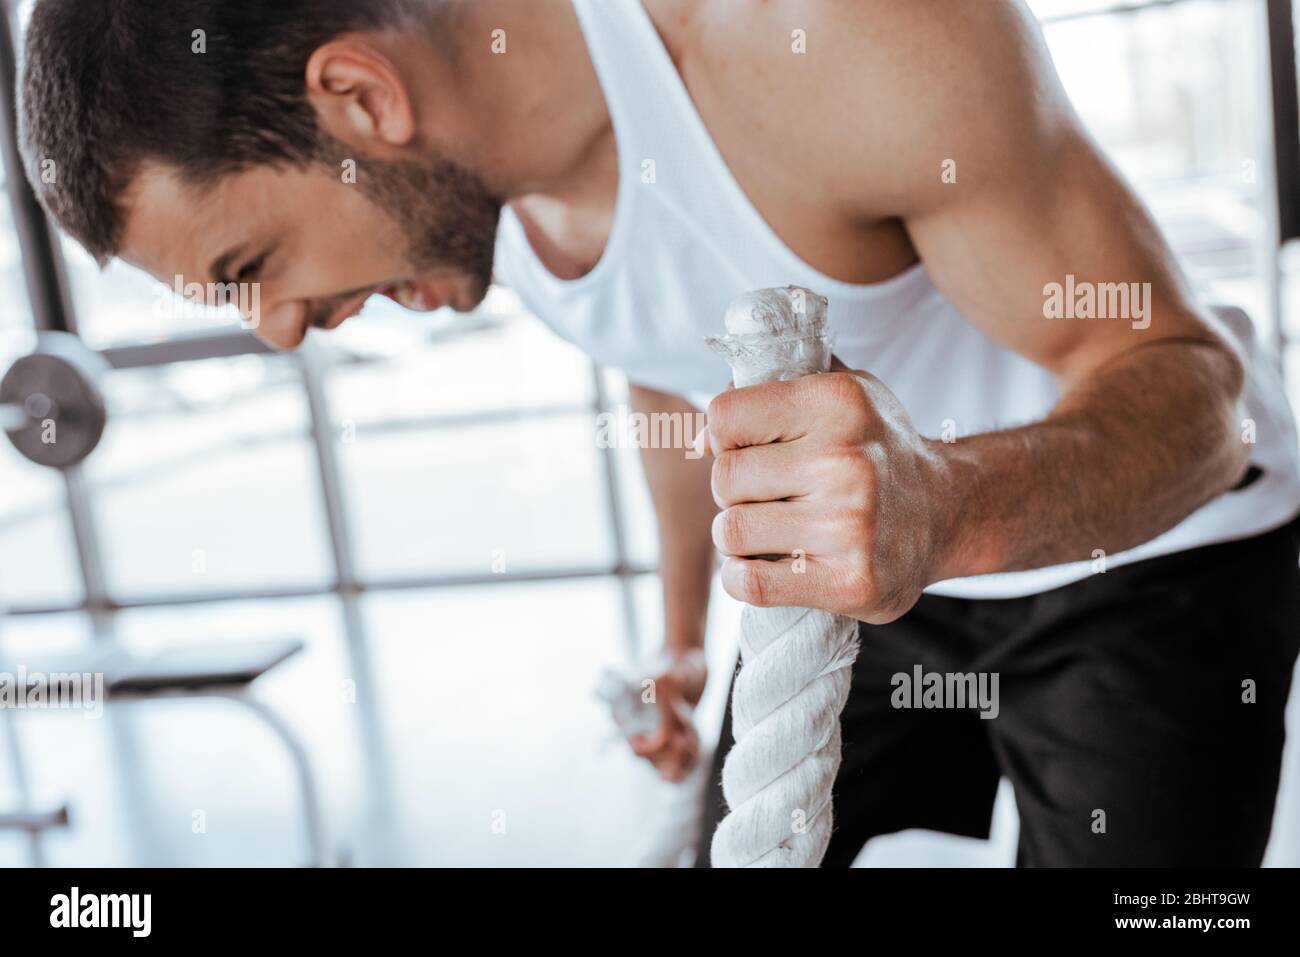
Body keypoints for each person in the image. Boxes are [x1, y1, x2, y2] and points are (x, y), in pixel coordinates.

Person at [19, 0, 1300, 866]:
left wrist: (945, 510)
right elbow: (670, 360)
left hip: (1153, 553)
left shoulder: (829, 43)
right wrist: (683, 641)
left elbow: (1197, 394)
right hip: (875, 558)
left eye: (251, 264)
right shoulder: (471, 205)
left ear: (360, 98)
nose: (280, 330)